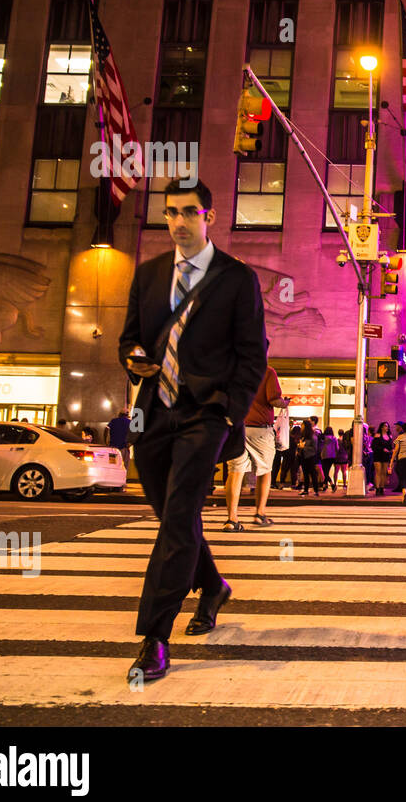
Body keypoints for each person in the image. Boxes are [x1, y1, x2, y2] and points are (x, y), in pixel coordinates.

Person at [119, 178, 267, 684]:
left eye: (188, 212)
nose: (178, 222)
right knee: (171, 516)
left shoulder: (236, 278)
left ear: (209, 215)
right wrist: (133, 358)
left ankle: (155, 637)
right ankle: (212, 585)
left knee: (179, 516)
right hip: (155, 415)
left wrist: (230, 412)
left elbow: (252, 355)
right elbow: (130, 339)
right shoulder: (149, 274)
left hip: (205, 416)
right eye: (170, 213)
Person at [223, 364, 285, 531]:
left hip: (236, 427)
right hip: (260, 429)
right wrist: (284, 403)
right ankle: (259, 513)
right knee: (264, 471)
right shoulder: (267, 371)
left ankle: (232, 519)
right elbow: (273, 399)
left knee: (235, 470)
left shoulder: (232, 369)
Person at [297, 420, 320, 496]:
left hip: (310, 457)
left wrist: (304, 447)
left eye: (302, 425)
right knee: (305, 473)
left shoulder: (313, 436)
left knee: (312, 473)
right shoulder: (304, 436)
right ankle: (306, 490)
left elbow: (314, 448)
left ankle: (316, 490)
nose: (301, 427)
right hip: (303, 456)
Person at [105, 408, 131, 476]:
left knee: (113, 465)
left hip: (113, 448)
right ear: (127, 415)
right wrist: (130, 443)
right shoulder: (130, 422)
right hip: (124, 447)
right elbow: (135, 433)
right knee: (124, 465)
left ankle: (113, 479)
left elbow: (106, 429)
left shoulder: (113, 421)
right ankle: (122, 481)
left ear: (119, 414)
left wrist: (105, 441)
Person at [371, 422, 393, 495]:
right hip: (378, 455)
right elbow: (374, 446)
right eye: (385, 426)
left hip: (386, 456)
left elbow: (390, 446)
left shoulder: (390, 436)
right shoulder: (377, 435)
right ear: (381, 427)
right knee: (378, 472)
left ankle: (382, 488)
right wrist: (382, 449)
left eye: (387, 426)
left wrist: (391, 450)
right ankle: (377, 488)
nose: (387, 427)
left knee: (384, 473)